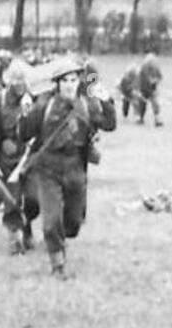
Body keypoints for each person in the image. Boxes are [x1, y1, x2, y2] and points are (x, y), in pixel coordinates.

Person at [16, 55, 117, 277]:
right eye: (65, 81)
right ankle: (57, 264)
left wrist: (107, 101)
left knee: (73, 222)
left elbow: (110, 124)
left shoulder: (86, 105)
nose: (70, 85)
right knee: (50, 221)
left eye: (73, 80)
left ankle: (48, 235)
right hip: (47, 169)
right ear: (57, 84)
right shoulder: (44, 106)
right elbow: (23, 133)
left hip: (74, 169)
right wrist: (24, 113)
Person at [0, 61, 42, 254]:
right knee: (11, 200)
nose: (19, 84)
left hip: (29, 159)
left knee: (33, 200)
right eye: (16, 80)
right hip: (7, 160)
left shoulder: (35, 100)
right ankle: (12, 239)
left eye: (23, 80)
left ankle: (26, 227)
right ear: (8, 81)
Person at [136, 53, 164, 126]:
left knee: (155, 103)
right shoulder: (142, 69)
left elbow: (160, 77)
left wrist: (155, 81)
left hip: (152, 88)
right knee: (142, 103)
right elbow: (139, 80)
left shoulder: (156, 68)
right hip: (144, 88)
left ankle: (157, 119)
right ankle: (140, 118)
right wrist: (140, 89)